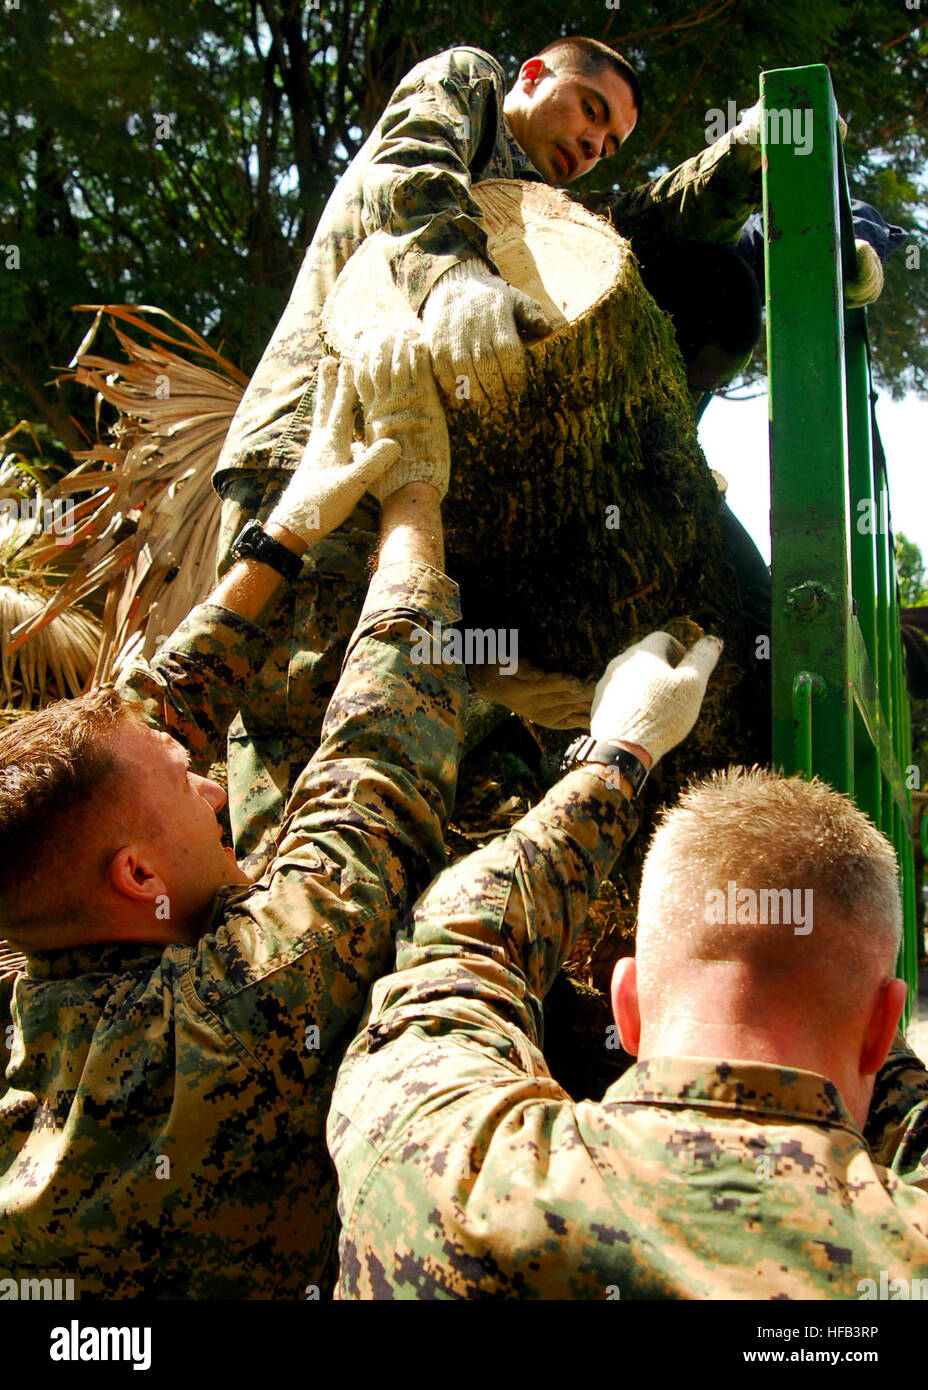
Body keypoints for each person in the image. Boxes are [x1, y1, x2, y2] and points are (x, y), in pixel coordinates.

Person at [213, 36, 776, 876]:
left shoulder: (537, 206)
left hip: (418, 483)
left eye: (612, 140)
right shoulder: (467, 87)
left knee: (400, 699)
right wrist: (452, 276)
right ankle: (260, 947)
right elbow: (408, 162)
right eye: (591, 110)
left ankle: (362, 958)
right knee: (296, 713)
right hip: (313, 450)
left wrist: (746, 154)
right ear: (534, 77)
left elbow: (642, 223)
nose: (594, 144)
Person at [0, 331, 469, 1299]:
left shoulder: (45, 937)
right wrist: (416, 492)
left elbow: (128, 741)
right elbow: (374, 777)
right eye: (191, 785)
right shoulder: (235, 1017)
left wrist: (283, 534)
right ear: (136, 879)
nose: (214, 785)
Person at [327, 643, 928, 1298]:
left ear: (627, 1010)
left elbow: (456, 950)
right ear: (884, 1029)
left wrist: (620, 754)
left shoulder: (453, 1175)